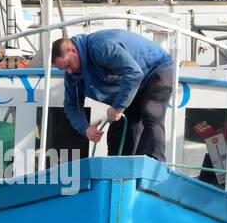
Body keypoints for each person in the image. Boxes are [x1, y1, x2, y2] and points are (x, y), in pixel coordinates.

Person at [51, 30, 174, 161]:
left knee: (150, 111)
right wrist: (85, 129)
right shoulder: (72, 76)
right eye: (64, 69)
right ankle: (118, 174)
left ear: (72, 50)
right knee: (119, 128)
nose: (69, 71)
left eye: (68, 65)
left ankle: (157, 165)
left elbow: (134, 74)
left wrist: (117, 108)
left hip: (157, 68)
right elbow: (72, 106)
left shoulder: (101, 47)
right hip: (134, 85)